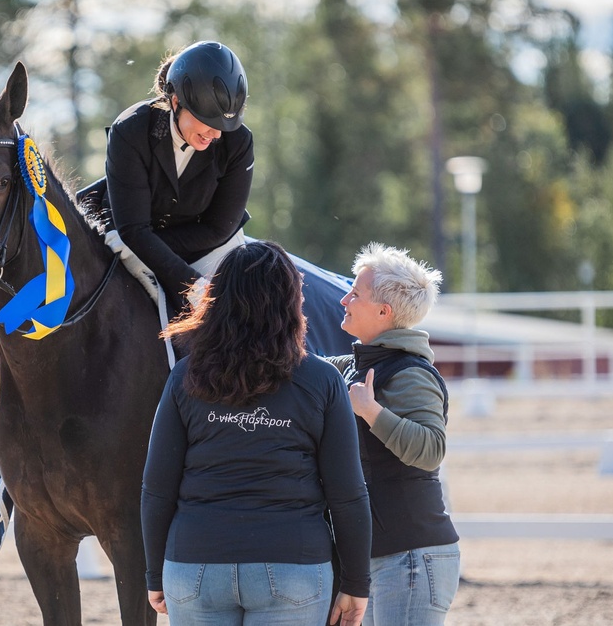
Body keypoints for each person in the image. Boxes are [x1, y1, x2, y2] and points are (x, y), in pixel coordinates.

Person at [141, 240, 372, 626]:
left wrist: (153, 572)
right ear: (289, 302)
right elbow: (347, 493)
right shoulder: (322, 380)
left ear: (217, 301)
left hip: (195, 565)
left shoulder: (185, 376)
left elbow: (156, 487)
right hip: (292, 565)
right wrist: (356, 582)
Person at [325, 242, 461, 626]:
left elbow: (432, 448)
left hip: (410, 558)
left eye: (355, 293)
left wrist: (371, 411)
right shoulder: (359, 364)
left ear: (384, 312)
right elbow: (304, 368)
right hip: (391, 557)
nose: (343, 299)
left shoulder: (410, 373)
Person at [97, 40, 254, 317]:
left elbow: (219, 228)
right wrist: (190, 284)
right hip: (129, 239)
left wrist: (189, 276)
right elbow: (134, 229)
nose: (216, 135)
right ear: (176, 101)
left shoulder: (238, 141)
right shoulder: (130, 130)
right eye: (208, 121)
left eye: (224, 126)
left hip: (210, 243)